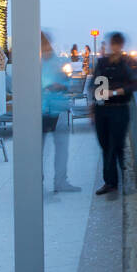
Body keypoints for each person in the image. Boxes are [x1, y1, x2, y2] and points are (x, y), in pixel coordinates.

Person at [91, 31, 137, 196]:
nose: (115, 47)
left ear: (121, 45)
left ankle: (125, 181)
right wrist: (93, 106)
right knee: (105, 145)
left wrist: (116, 91)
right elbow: (95, 84)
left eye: (117, 43)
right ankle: (110, 182)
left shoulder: (129, 62)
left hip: (119, 108)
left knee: (117, 145)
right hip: (102, 109)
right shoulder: (103, 63)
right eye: (113, 43)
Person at [42, 31, 81, 193]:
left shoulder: (59, 62)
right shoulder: (32, 63)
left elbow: (70, 82)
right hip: (39, 112)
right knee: (37, 151)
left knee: (62, 149)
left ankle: (61, 182)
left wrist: (62, 85)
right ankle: (36, 182)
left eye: (45, 42)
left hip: (59, 110)